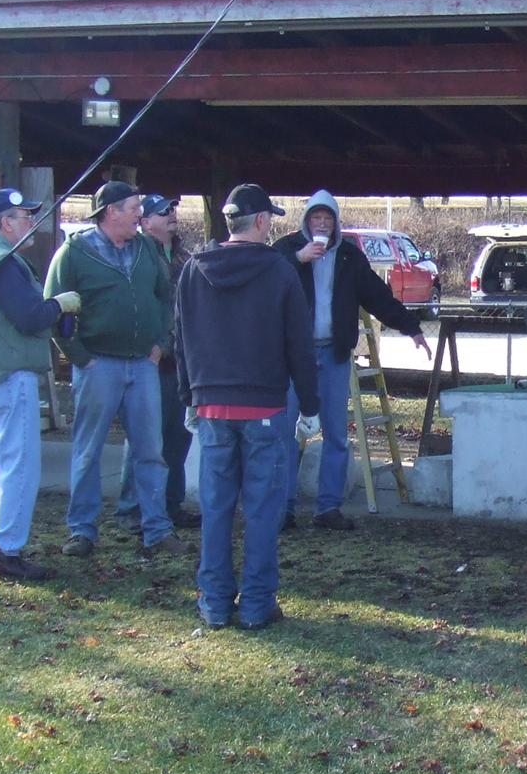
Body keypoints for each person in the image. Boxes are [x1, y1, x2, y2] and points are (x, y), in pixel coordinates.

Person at [175, 183, 319, 630]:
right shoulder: (278, 272)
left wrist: (188, 396)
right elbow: (299, 343)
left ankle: (215, 603)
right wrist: (310, 405)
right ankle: (257, 604)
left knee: (215, 509)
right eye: (270, 218)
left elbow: (180, 340)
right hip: (263, 407)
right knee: (262, 510)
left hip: (212, 406)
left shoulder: (193, 270)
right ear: (260, 222)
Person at [273, 191, 430, 530]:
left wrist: (411, 327)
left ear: (336, 222)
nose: (322, 224)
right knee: (283, 432)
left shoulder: (349, 257)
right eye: (316, 218)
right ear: (306, 221)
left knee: (336, 434)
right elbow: (266, 280)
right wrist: (299, 258)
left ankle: (327, 508)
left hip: (334, 353)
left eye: (328, 218)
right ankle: (282, 507)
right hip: (291, 356)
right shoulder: (286, 250)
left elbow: (378, 296)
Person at [44, 179, 180, 558]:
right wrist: (79, 355)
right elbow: (55, 307)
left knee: (151, 451)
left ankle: (156, 529)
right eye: (134, 207)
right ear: (110, 212)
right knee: (88, 450)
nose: (141, 214)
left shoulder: (146, 250)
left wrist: (160, 345)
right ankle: (82, 531)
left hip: (142, 365)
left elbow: (165, 297)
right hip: (97, 364)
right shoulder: (73, 253)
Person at [0, 187, 80, 581]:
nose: (32, 224)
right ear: (6, 222)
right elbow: (29, 317)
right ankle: (5, 550)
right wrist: (62, 304)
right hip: (9, 377)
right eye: (26, 217)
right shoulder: (5, 264)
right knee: (18, 467)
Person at [115, 194, 198, 533]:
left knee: (178, 435)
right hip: (149, 360)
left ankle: (170, 503)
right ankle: (133, 508)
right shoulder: (135, 255)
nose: (172, 215)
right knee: (146, 438)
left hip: (183, 360)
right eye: (162, 211)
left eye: (173, 210)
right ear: (145, 222)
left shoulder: (184, 254)